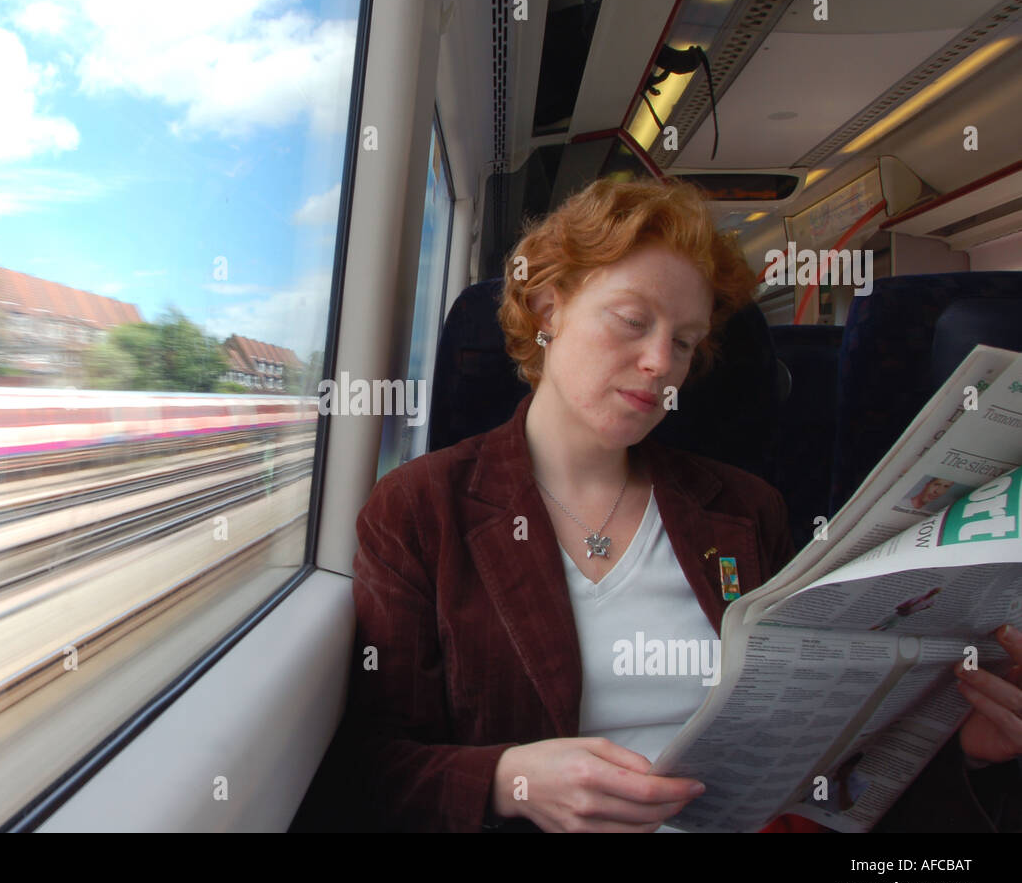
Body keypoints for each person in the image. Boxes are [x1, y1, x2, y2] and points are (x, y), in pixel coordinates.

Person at [297, 178, 1022, 833]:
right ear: (549, 308)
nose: (660, 363)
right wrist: (509, 779)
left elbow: (817, 747)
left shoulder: (742, 507)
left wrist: (966, 751)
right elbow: (371, 768)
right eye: (631, 321)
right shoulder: (423, 507)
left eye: (684, 342)